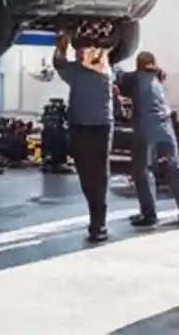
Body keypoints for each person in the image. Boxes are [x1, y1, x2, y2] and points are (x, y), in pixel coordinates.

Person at [117, 51, 179, 228]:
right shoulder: (157, 79)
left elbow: (117, 76)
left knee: (142, 171)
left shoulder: (136, 78)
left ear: (138, 65)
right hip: (166, 127)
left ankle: (149, 214)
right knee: (174, 168)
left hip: (146, 129)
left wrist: (107, 54)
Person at [54, 33, 115, 243]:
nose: (83, 54)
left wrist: (61, 44)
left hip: (91, 127)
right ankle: (98, 222)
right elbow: (61, 63)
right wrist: (64, 45)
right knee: (94, 175)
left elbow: (59, 63)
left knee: (94, 176)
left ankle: (98, 223)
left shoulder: (93, 72)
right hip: (93, 127)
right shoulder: (100, 72)